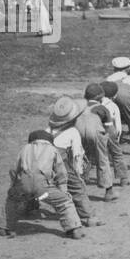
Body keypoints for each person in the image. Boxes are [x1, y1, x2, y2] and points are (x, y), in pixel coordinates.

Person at [0, 130, 84, 239]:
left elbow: (14, 169)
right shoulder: (53, 150)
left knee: (12, 201)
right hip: (43, 188)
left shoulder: (25, 148)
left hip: (23, 183)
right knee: (64, 202)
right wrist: (63, 190)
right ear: (49, 141)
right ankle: (74, 228)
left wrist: (13, 186)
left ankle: (5, 227)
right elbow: (61, 173)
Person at [46, 96, 101, 231]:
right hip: (60, 162)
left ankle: (30, 205)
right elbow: (77, 155)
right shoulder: (73, 132)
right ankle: (89, 216)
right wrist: (78, 173)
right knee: (78, 188)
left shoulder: (47, 130)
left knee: (44, 186)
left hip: (44, 161)